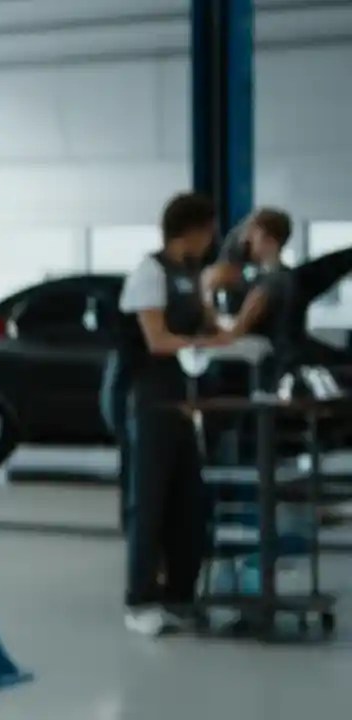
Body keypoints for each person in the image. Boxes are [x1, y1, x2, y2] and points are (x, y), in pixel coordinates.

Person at [111, 192, 230, 636]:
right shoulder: (150, 273)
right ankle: (140, 600)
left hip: (182, 400)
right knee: (150, 502)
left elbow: (210, 324)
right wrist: (206, 343)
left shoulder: (192, 274)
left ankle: (181, 596)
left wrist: (231, 332)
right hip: (147, 399)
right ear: (196, 229)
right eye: (211, 230)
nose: (213, 239)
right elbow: (157, 340)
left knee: (188, 502)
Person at [203, 207, 300, 387]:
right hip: (275, 363)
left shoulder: (272, 280)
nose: (247, 242)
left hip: (266, 369)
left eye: (252, 236)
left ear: (267, 239)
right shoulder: (279, 276)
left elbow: (239, 328)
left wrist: (206, 297)